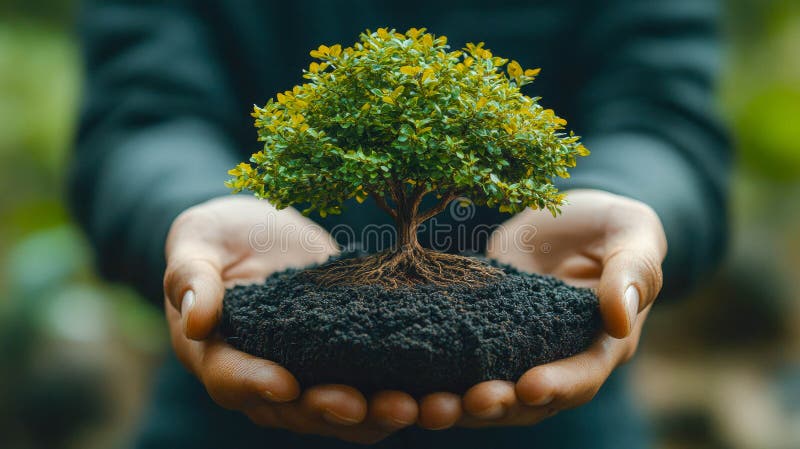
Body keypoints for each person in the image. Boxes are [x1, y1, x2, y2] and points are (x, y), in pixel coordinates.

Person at [69, 0, 730, 447]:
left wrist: (626, 197)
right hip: (219, 422)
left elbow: (663, 117)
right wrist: (187, 205)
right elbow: (143, 112)